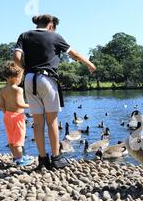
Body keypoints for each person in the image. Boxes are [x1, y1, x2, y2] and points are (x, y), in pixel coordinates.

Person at [13, 14, 96, 170]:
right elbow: (74, 54)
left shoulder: (24, 36)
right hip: (47, 79)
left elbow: (16, 57)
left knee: (37, 123)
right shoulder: (54, 36)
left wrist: (26, 69)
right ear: (50, 25)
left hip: (29, 79)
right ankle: (56, 159)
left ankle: (43, 160)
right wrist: (89, 63)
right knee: (52, 121)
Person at [0, 62, 35, 167]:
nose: (21, 79)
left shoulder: (2, 90)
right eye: (20, 77)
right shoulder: (18, 89)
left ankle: (16, 157)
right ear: (16, 77)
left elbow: (1, 105)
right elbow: (19, 104)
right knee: (19, 140)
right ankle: (20, 160)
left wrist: (7, 113)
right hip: (17, 117)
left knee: (11, 139)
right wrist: (31, 105)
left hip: (7, 116)